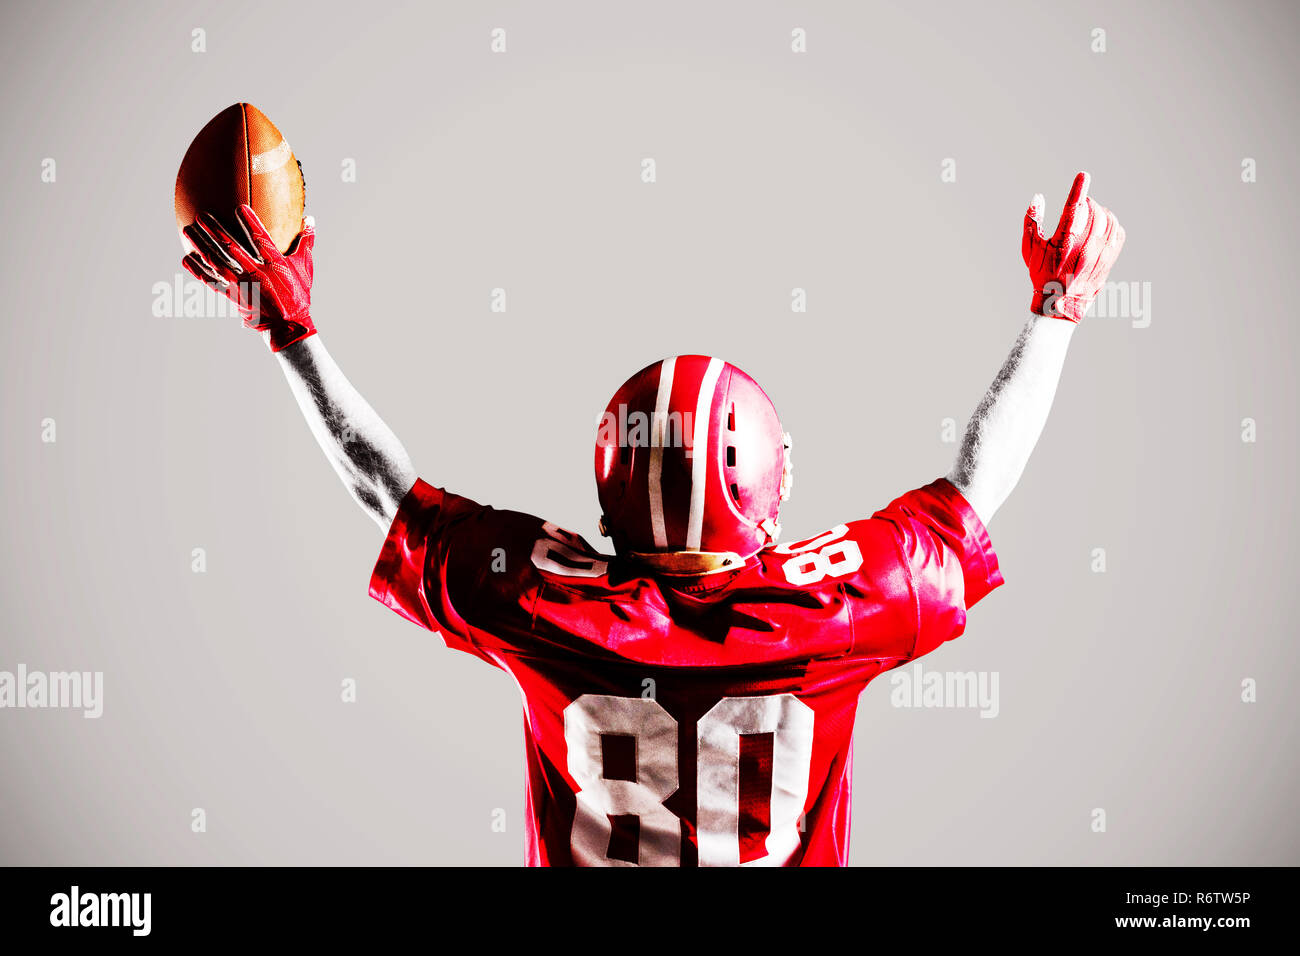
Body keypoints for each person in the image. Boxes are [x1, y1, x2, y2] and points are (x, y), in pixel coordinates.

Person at [180, 171, 1124, 866]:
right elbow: (977, 485)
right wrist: (1057, 310)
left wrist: (289, 327)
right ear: (770, 480)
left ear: (608, 485)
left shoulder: (538, 602)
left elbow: (380, 484)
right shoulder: (849, 603)